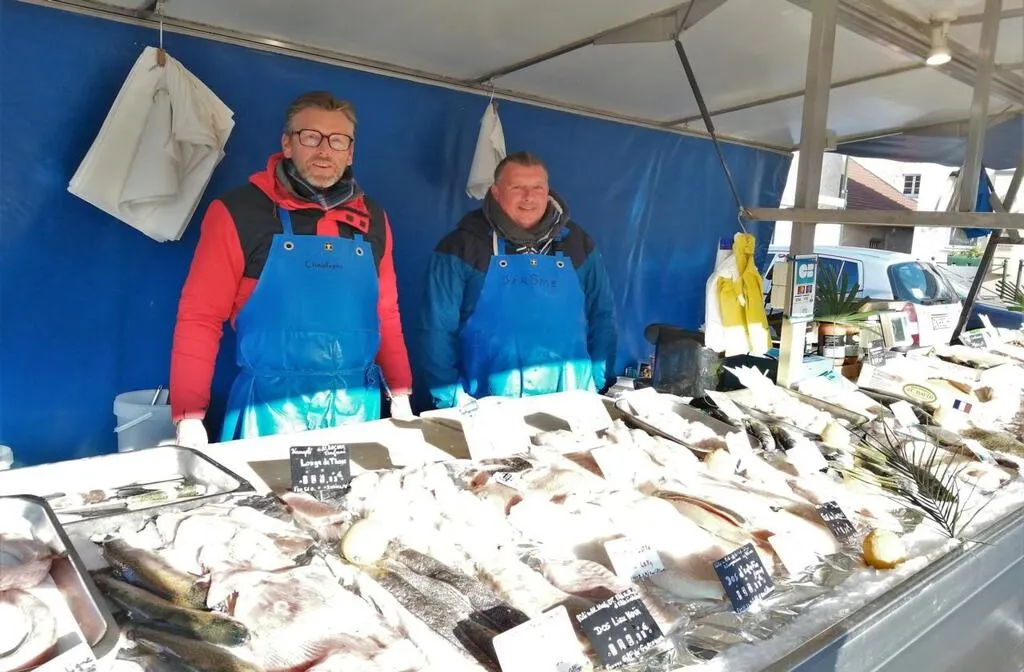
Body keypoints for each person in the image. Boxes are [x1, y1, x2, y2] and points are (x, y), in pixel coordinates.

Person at [170, 91, 414, 446]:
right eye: (310, 137)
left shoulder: (373, 218)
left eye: (338, 140)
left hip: (357, 409)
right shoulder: (238, 211)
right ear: (287, 144)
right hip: (268, 414)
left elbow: (385, 313)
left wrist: (402, 390)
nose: (324, 150)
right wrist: (189, 415)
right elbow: (200, 317)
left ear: (350, 153)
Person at [419, 151, 617, 409]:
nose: (529, 197)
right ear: (496, 192)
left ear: (548, 192)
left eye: (537, 187)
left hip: (571, 402)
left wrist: (597, 381)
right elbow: (436, 329)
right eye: (517, 187)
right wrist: (452, 400)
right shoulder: (460, 246)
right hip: (486, 406)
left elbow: (602, 315)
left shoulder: (579, 244)